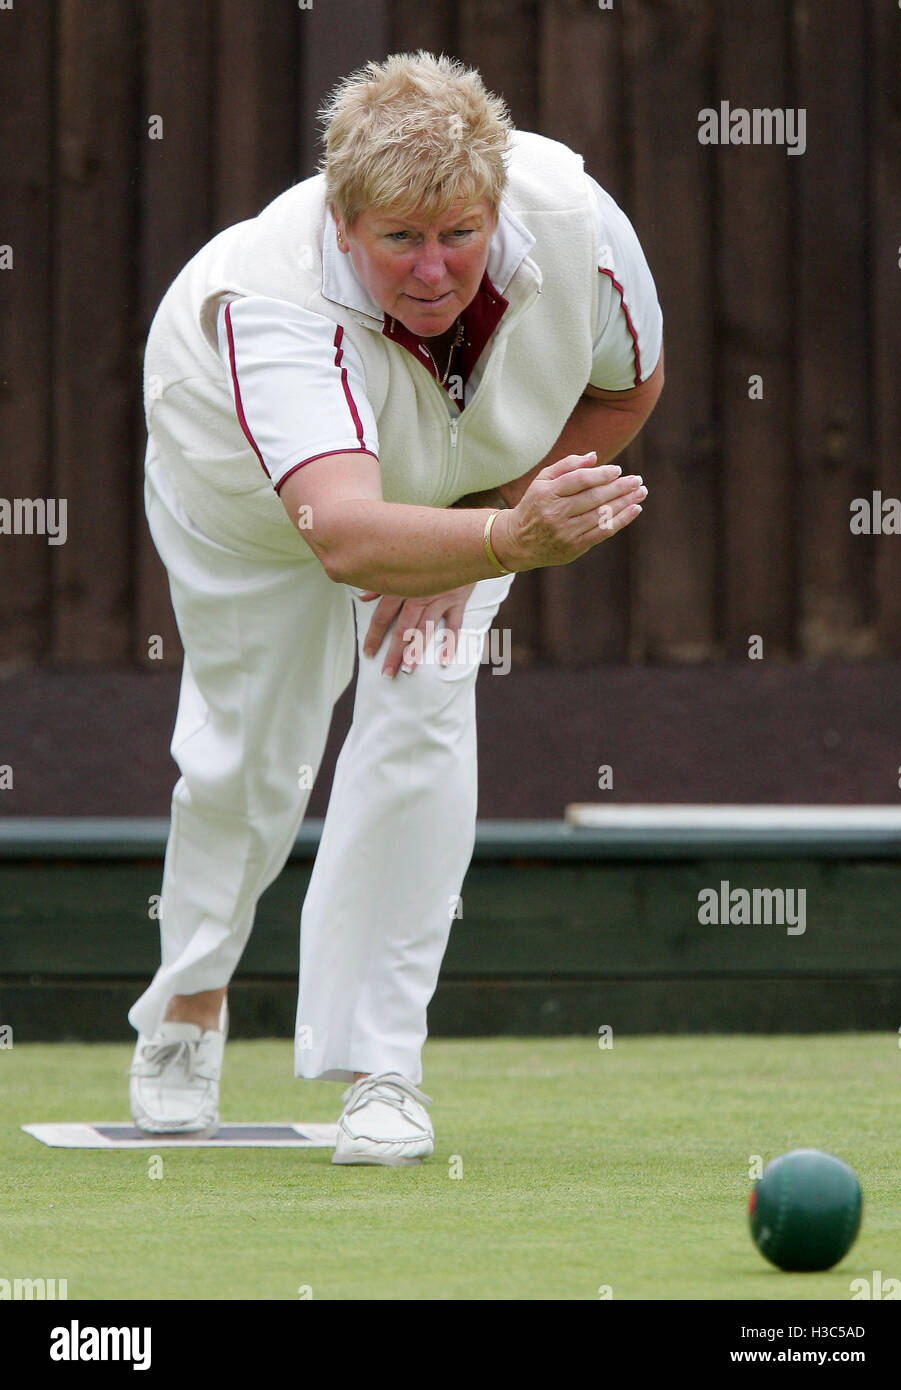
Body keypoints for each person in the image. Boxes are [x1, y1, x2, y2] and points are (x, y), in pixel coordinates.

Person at [128, 51, 663, 1165]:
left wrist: (488, 530)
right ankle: (187, 1004)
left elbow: (627, 385)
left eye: (459, 234)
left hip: (469, 483)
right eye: (399, 240)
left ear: (496, 203)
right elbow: (343, 533)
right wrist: (510, 539)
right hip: (253, 497)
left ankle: (382, 1068)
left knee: (423, 697)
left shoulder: (577, 221)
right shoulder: (269, 299)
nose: (433, 271)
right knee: (250, 762)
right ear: (343, 217)